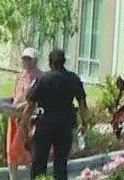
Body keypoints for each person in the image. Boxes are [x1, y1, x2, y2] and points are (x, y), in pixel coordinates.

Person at [26, 48, 87, 180]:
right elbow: (82, 102)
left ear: (50, 63)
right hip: (65, 123)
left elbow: (30, 103)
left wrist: (25, 125)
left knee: (39, 161)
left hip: (45, 123)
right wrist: (84, 123)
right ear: (64, 62)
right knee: (61, 162)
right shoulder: (73, 79)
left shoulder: (43, 79)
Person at [6, 48, 41, 180]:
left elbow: (35, 100)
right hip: (14, 115)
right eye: (24, 58)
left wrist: (23, 106)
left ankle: (31, 176)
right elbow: (16, 95)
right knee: (11, 149)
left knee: (26, 149)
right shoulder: (20, 76)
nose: (26, 61)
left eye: (29, 59)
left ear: (35, 60)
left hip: (29, 118)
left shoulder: (39, 77)